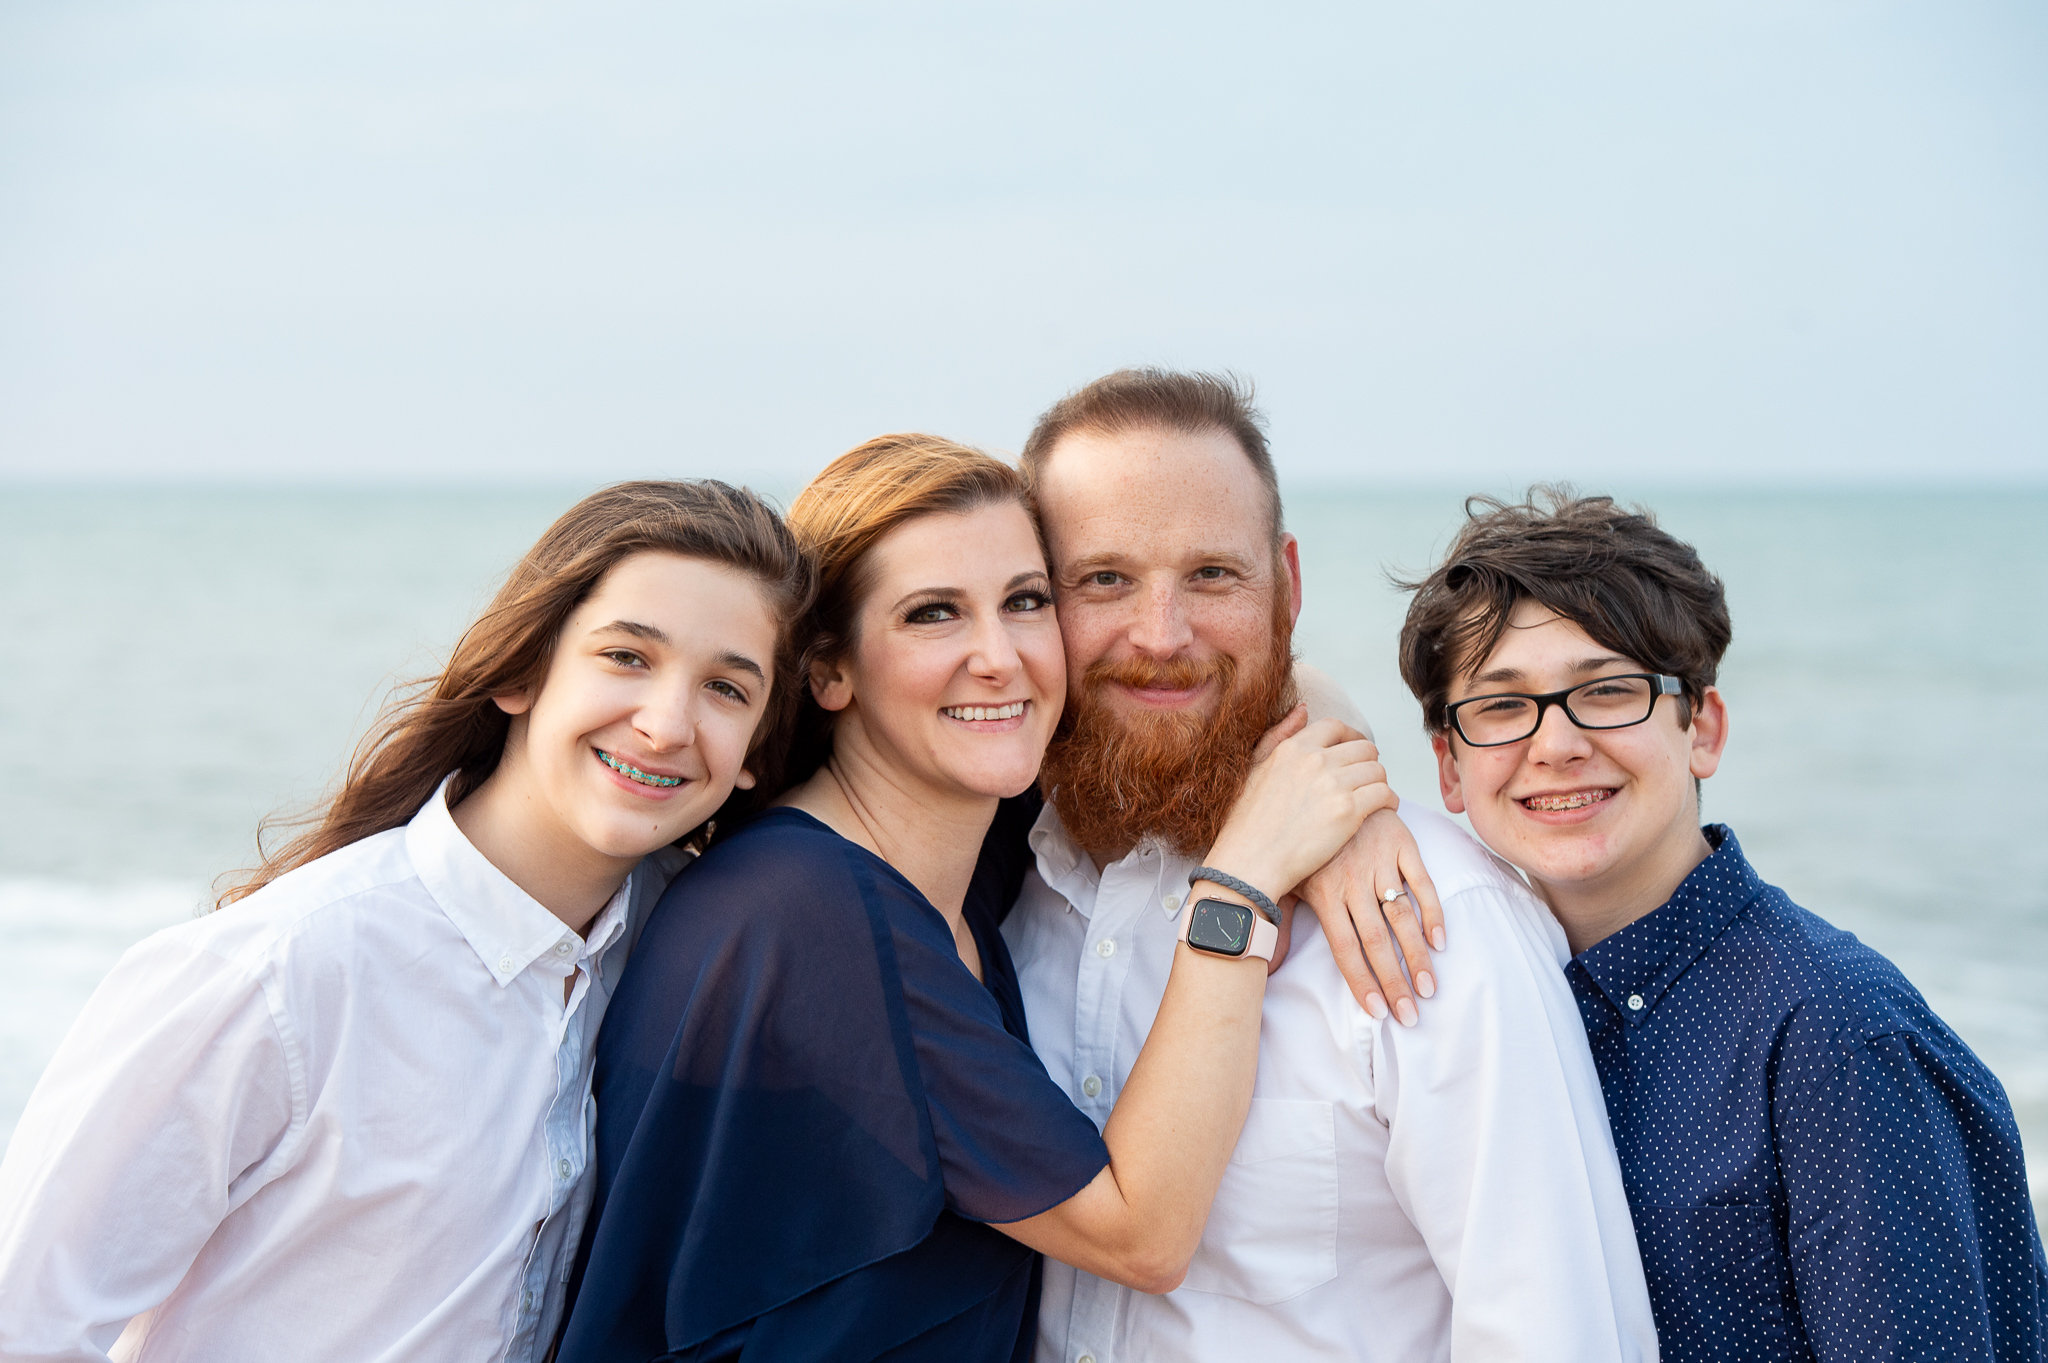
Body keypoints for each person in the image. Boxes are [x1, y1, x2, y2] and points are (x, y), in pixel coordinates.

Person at [553, 435, 1386, 1363]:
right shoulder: (814, 914)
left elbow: (1203, 683)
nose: (998, 657)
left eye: (1026, 601)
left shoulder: (956, 843)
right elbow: (1141, 1231)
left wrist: (1341, 775)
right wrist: (1242, 884)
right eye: (933, 614)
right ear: (828, 669)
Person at [0, 481, 814, 1363]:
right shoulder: (278, 973)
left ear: (753, 756)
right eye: (625, 657)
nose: (665, 724)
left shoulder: (687, 957)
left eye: (727, 688)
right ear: (520, 672)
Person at [1000, 369, 1660, 1361]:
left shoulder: (1440, 921)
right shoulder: (990, 884)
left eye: (1213, 576)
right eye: (1103, 579)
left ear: (1288, 589)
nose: (1159, 636)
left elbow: (1553, 1331)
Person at [1399, 488, 2048, 1362]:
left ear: (1701, 727)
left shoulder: (1837, 1032)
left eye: (1608, 689)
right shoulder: (1482, 999)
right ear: (1449, 765)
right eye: (1502, 706)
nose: (1554, 745)